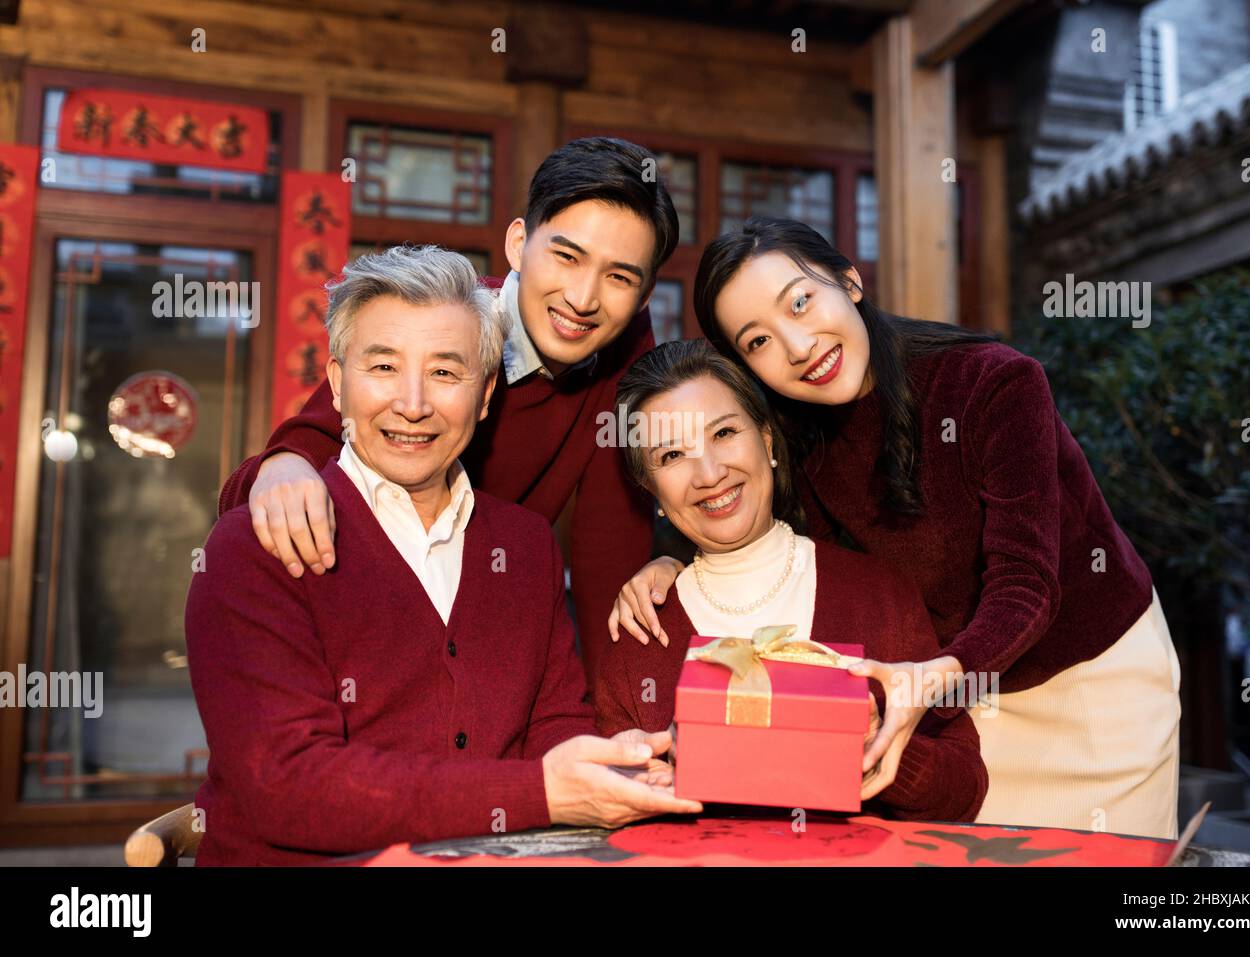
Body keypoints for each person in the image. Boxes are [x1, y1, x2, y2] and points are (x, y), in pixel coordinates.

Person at [609, 217, 1182, 839]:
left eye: (801, 302)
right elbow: (736, 511)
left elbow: (1026, 584)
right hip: (949, 701)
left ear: (849, 280)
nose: (798, 346)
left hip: (1089, 677)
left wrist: (937, 675)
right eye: (758, 341)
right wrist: (671, 560)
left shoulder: (995, 383)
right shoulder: (796, 436)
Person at [186, 246, 700, 865]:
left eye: (445, 373)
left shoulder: (523, 545)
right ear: (337, 384)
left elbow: (555, 725)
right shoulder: (257, 543)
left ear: (485, 395)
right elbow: (288, 786)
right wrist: (543, 792)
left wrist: (610, 771)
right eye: (383, 367)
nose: (412, 404)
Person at [217, 137, 679, 681]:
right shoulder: (448, 320)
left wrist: (628, 724)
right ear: (518, 243)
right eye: (566, 256)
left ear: (645, 293)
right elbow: (306, 443)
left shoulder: (621, 351)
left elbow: (610, 555)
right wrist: (282, 465)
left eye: (619, 277)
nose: (583, 298)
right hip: (362, 607)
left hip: (484, 621)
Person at [595, 338, 987, 823]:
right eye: (672, 455)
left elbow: (965, 789)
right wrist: (624, 788)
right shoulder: (640, 635)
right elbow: (611, 821)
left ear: (765, 440)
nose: (710, 473)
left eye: (723, 433)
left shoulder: (878, 594)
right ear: (650, 489)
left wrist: (880, 749)